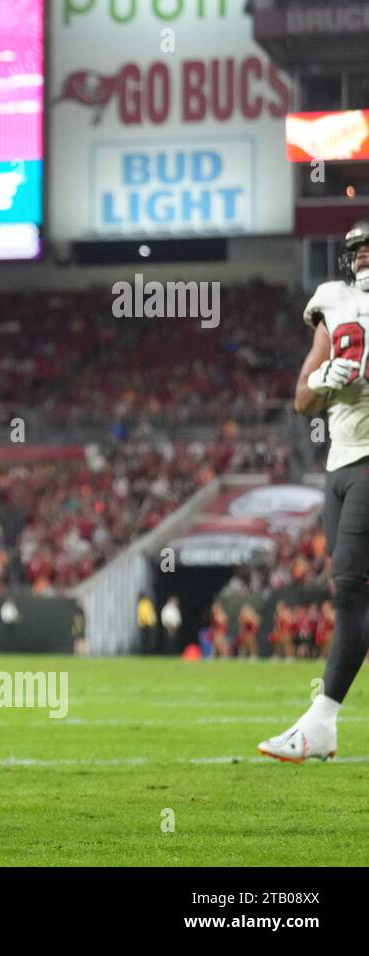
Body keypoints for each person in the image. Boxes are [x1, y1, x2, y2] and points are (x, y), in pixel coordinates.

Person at [261, 218, 369, 761]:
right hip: (340, 465)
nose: (365, 259)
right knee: (348, 590)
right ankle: (323, 727)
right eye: (360, 251)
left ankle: (322, 721)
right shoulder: (334, 302)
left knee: (352, 587)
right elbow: (302, 399)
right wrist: (324, 381)